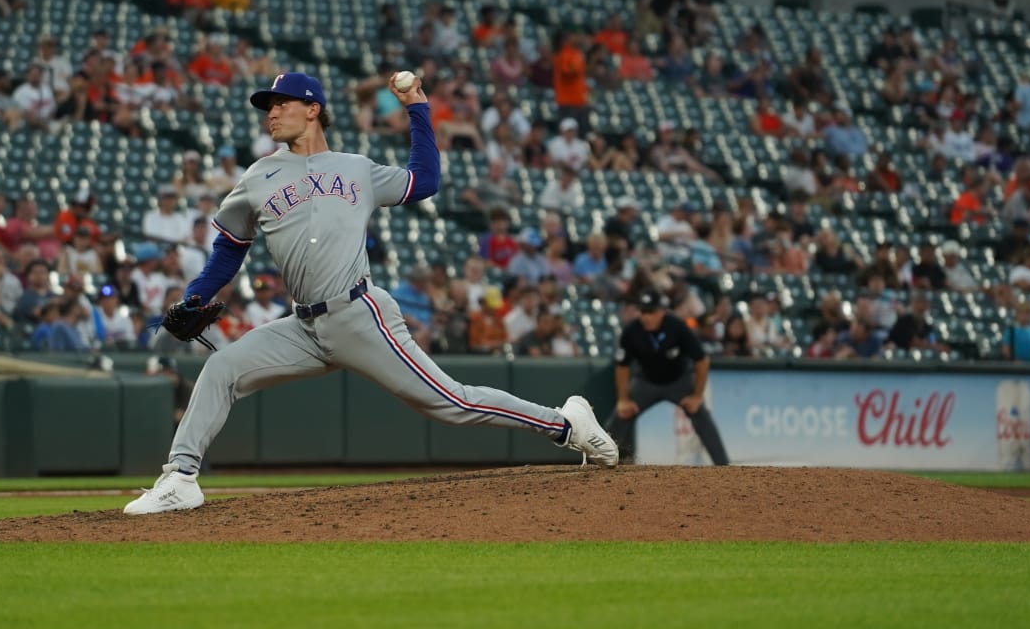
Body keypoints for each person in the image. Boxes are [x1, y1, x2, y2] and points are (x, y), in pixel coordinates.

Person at [123, 71, 617, 515]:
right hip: (302, 327)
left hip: (360, 315)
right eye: (267, 106)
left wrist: (417, 108)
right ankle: (180, 479)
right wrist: (196, 295)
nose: (271, 113)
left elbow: (424, 181)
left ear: (312, 108)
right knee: (222, 369)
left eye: (281, 103)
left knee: (451, 403)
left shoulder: (356, 168)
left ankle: (565, 425)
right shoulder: (258, 177)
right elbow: (230, 247)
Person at [607, 288, 729, 466]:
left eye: (650, 312)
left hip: (678, 381)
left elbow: (702, 361)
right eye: (643, 311)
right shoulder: (632, 330)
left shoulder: (677, 326)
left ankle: (724, 466)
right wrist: (623, 399)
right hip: (646, 382)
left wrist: (697, 396)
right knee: (622, 413)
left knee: (700, 414)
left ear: (661, 311)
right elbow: (622, 366)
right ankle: (598, 462)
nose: (646, 317)